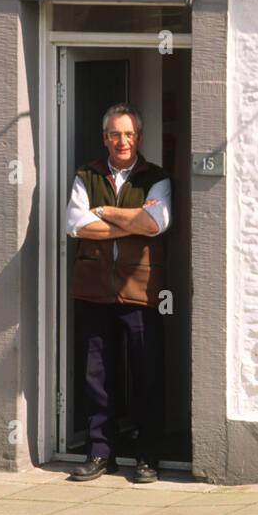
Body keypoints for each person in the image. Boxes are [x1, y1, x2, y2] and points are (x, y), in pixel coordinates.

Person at [65, 103, 171, 483]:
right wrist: (133, 223)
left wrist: (105, 211)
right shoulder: (86, 174)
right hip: (94, 291)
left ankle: (147, 456)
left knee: (146, 374)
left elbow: (156, 222)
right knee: (99, 377)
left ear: (138, 138)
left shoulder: (155, 178)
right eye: (114, 134)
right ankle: (100, 453)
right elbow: (76, 225)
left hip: (140, 292)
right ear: (105, 138)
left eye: (128, 134)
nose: (121, 141)